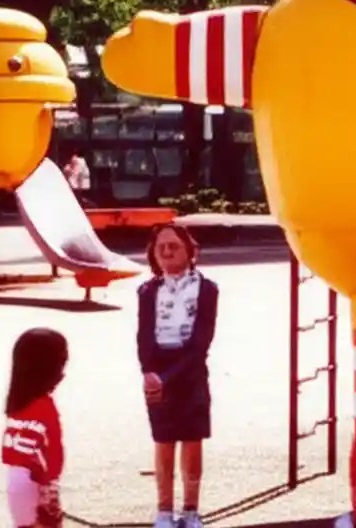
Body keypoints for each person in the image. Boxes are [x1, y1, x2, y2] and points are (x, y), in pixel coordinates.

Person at [137, 224, 219, 528]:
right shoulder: (148, 290)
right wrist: (149, 371)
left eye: (174, 246)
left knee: (192, 437)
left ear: (190, 251)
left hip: (190, 368)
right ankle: (163, 511)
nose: (168, 252)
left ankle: (190, 510)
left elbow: (202, 340)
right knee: (163, 439)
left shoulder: (207, 288)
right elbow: (143, 335)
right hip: (158, 368)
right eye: (161, 248)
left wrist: (168, 377)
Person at [2, 328, 69, 528]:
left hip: (16, 486)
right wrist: (50, 501)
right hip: (36, 487)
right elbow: (51, 456)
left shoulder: (17, 407)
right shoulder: (45, 407)